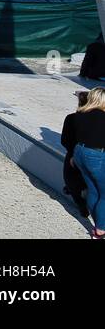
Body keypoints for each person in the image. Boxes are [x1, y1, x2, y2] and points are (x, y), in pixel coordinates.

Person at [70, 86, 105, 239]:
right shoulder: (103, 117)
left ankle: (98, 225)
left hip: (79, 153)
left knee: (93, 190)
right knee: (104, 194)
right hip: (95, 156)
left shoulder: (79, 114)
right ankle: (101, 229)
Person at [63, 92, 91, 217]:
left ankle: (80, 202)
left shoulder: (71, 118)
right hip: (95, 155)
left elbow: (65, 140)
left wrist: (72, 151)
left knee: (70, 178)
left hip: (74, 155)